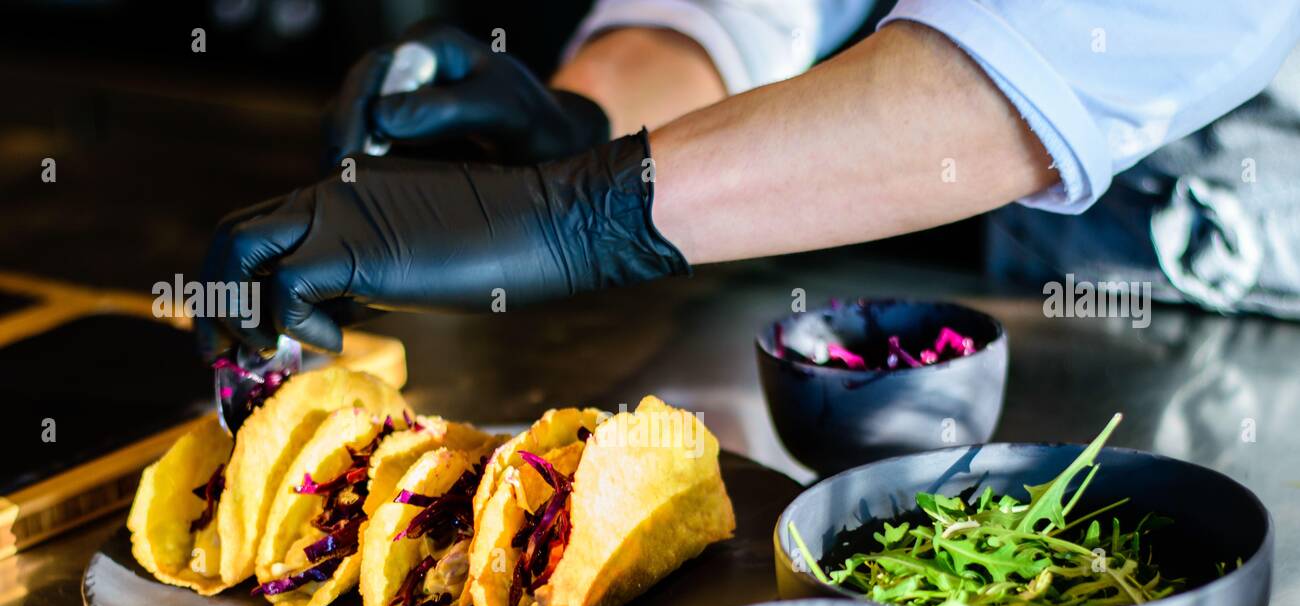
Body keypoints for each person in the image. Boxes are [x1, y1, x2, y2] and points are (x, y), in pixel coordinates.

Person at [197, 0, 1300, 357]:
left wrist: (580, 215)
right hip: (986, 243)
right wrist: (593, 117)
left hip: (1238, 295)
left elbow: (1108, 31)